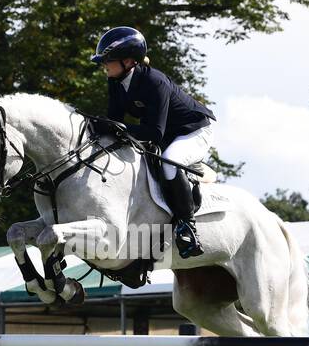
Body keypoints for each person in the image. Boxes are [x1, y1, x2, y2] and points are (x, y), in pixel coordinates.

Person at [92, 26, 216, 258]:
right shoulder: (116, 81)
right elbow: (113, 121)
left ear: (128, 61)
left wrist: (115, 127)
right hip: (168, 133)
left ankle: (187, 226)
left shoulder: (154, 82)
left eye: (108, 61)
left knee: (169, 161)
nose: (104, 65)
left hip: (195, 129)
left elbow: (154, 134)